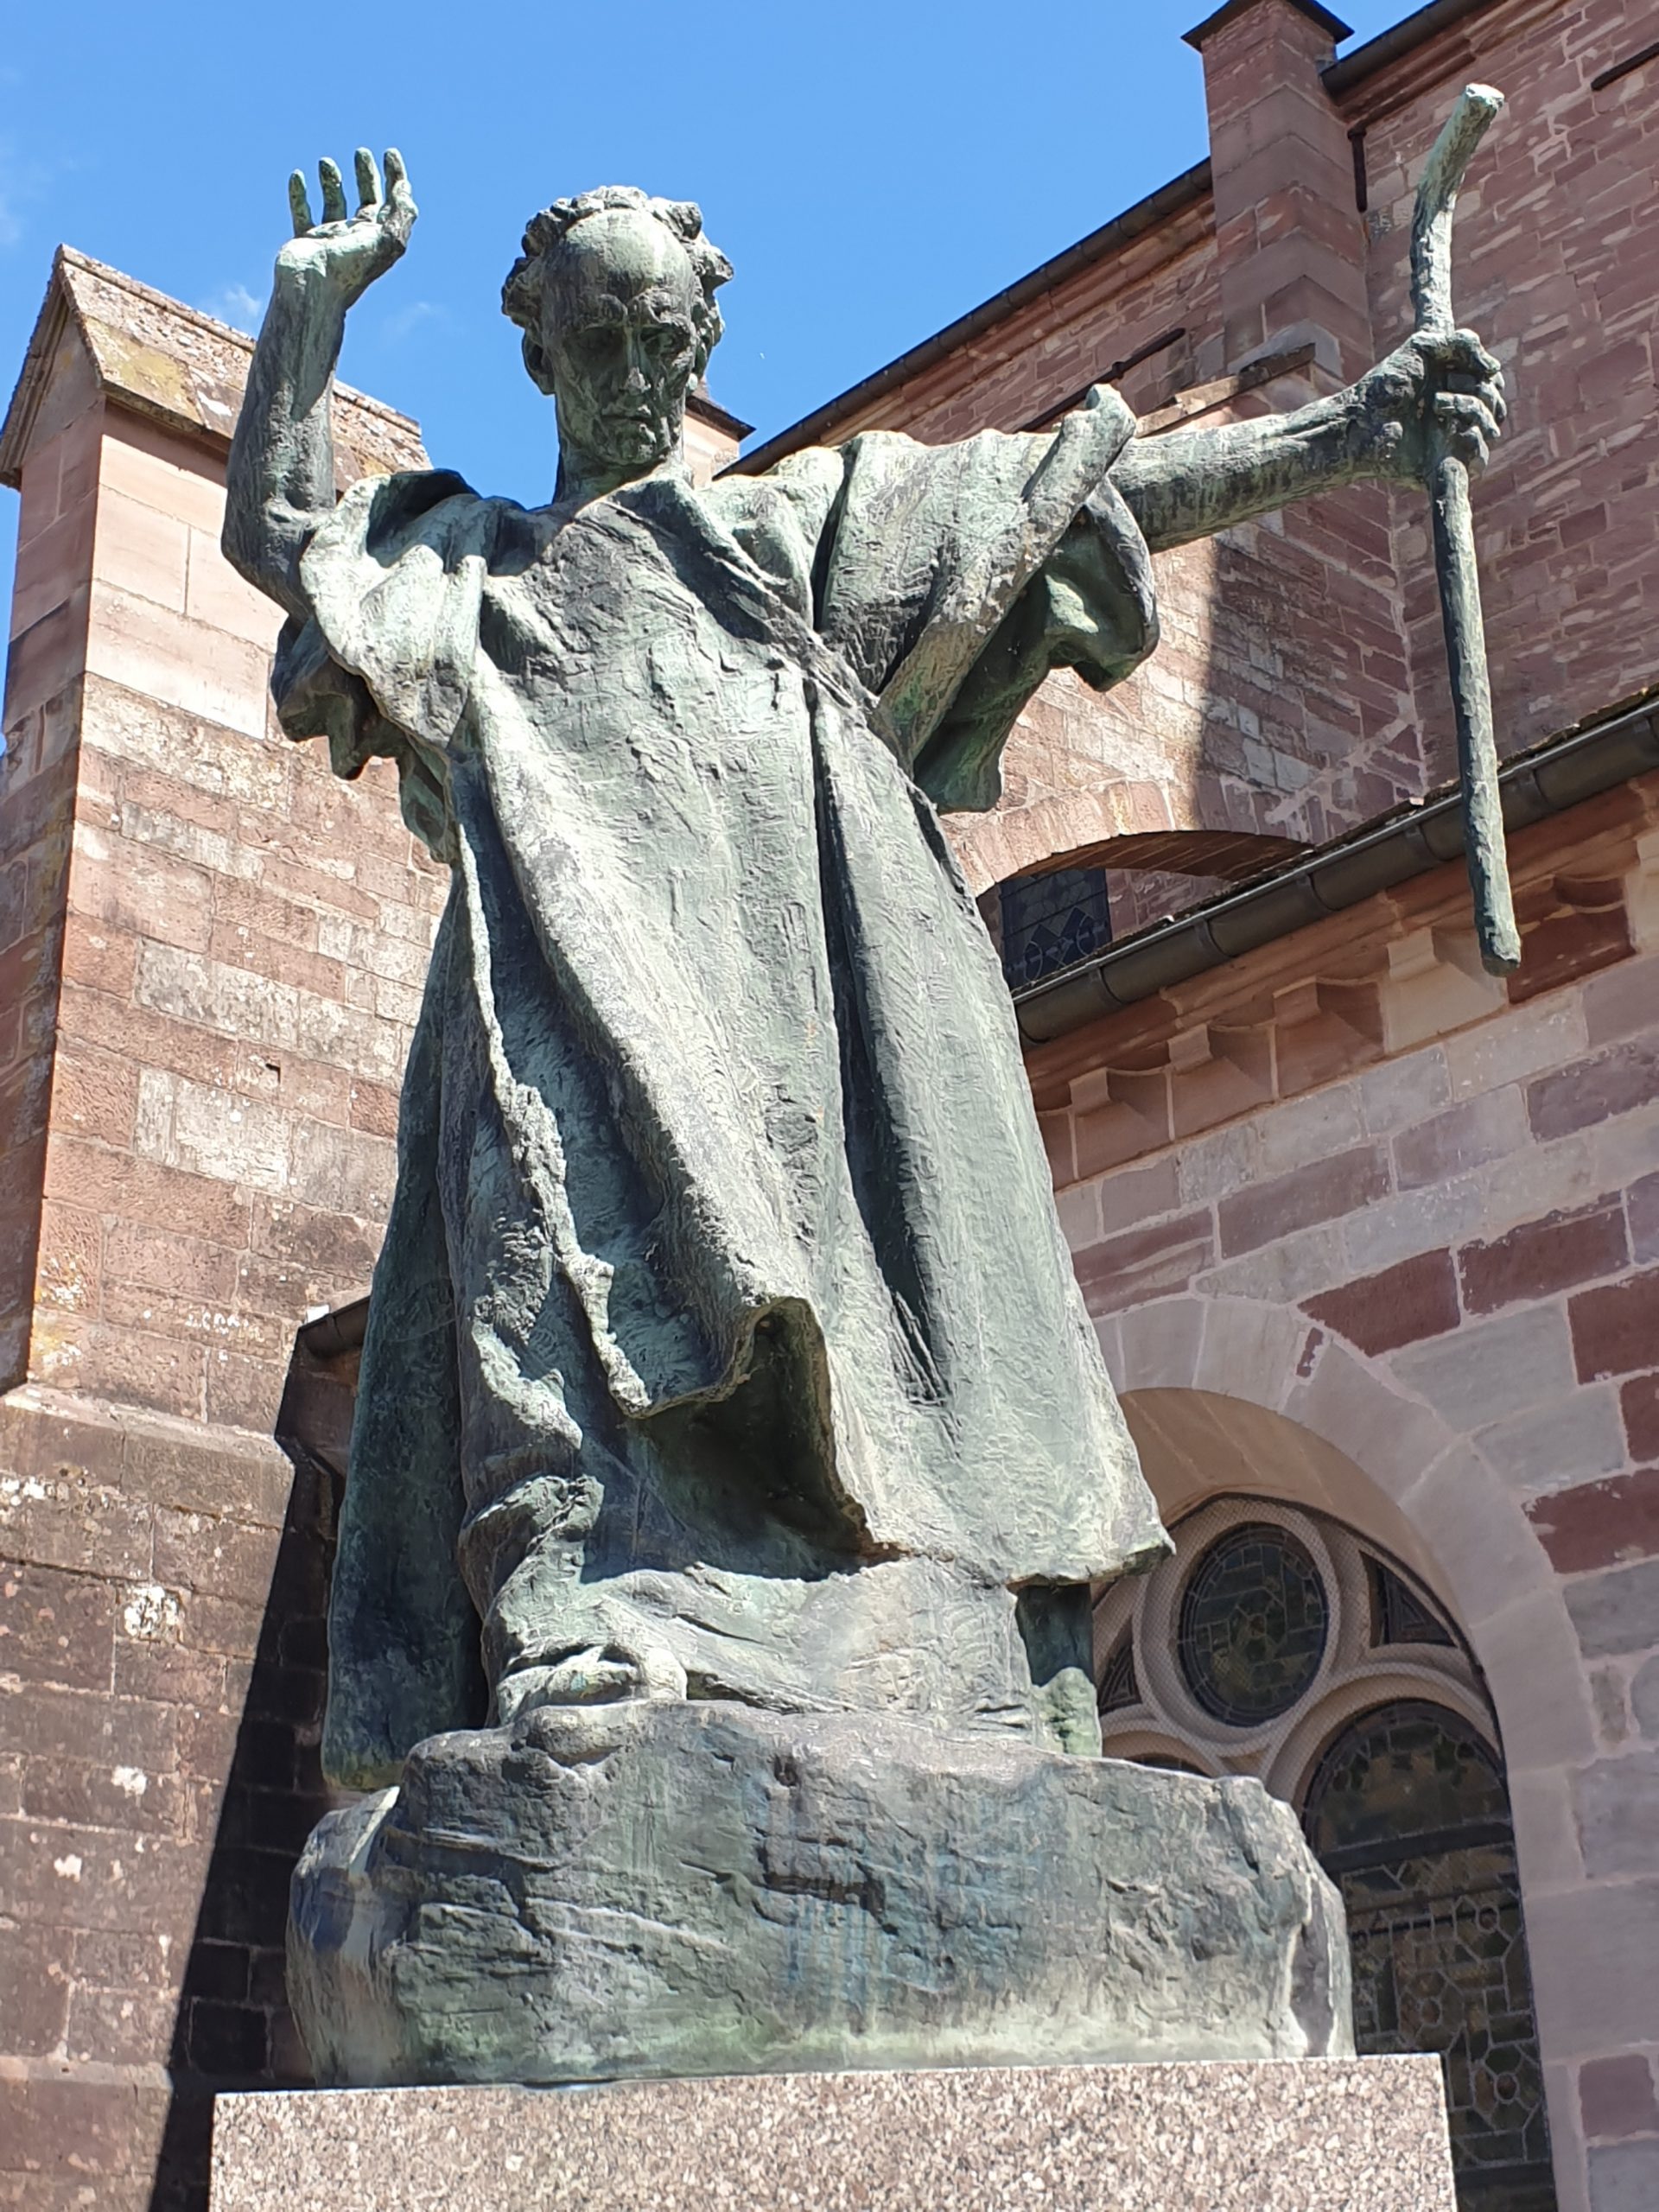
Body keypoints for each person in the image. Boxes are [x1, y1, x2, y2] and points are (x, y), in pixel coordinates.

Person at [226, 153, 1504, 1789]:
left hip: (798, 1035)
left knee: (844, 1362)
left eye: (663, 342)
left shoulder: (785, 533)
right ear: (537, 353)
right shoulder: (474, 564)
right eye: (597, 344)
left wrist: (1351, 434)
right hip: (545, 998)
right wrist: (303, 319)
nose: (633, 379)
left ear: (702, 349)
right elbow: (286, 535)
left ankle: (891, 1661)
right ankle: (591, 1618)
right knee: (540, 1292)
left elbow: (1070, 496)